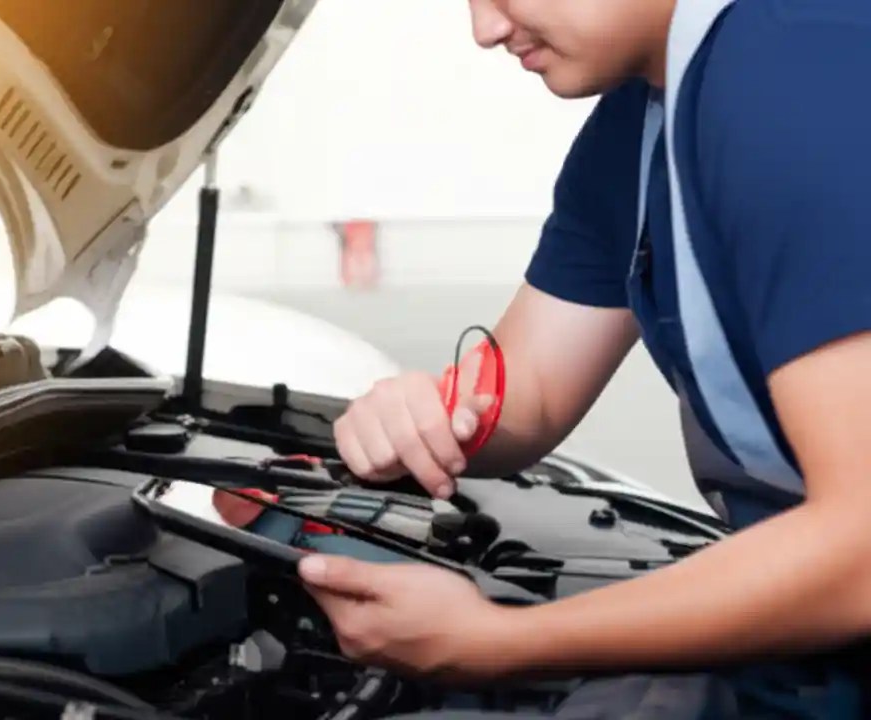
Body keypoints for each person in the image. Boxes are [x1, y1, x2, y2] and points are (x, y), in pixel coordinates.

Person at [236, 0, 871, 714]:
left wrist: (497, 642)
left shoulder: (798, 72)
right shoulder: (647, 116)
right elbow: (528, 392)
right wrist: (424, 421)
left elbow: (863, 550)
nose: (486, 30)